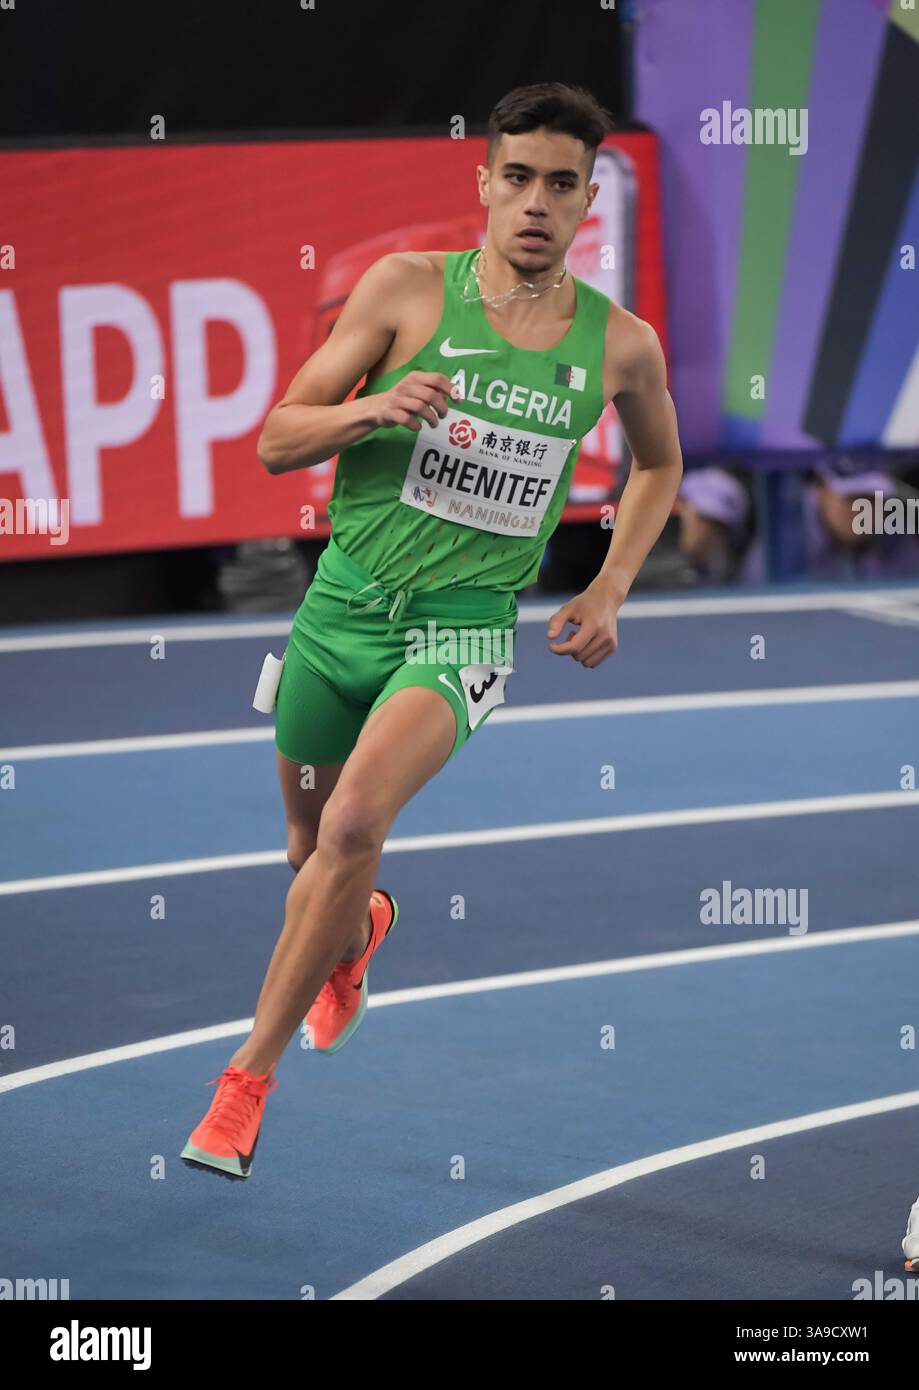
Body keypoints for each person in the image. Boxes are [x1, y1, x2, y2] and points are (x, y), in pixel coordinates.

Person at [180, 81, 684, 1180]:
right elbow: (275, 439)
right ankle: (356, 940)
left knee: (355, 824)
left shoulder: (620, 348)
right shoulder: (406, 292)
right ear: (485, 185)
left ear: (588, 196)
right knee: (311, 858)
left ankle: (244, 1084)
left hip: (462, 631)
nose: (536, 203)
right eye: (517, 179)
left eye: (560, 183)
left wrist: (607, 586)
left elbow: (657, 464)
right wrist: (372, 405)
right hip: (340, 609)